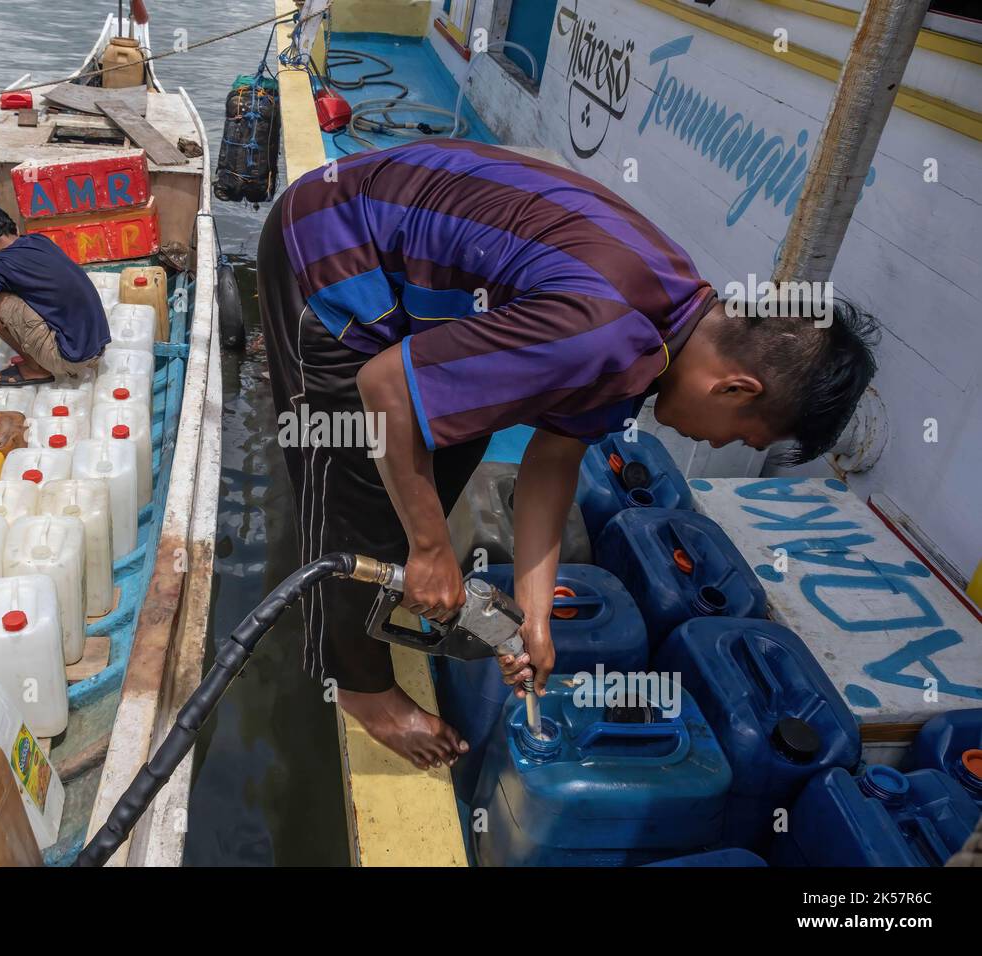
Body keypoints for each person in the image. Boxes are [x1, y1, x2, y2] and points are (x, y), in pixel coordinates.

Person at [258, 139, 878, 771]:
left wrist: (535, 617)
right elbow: (384, 385)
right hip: (330, 259)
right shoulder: (604, 333)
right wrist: (428, 547)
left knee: (447, 440)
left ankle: (389, 573)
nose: (716, 445)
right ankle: (362, 690)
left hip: (414, 277)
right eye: (741, 436)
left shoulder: (669, 320)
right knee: (355, 490)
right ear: (736, 388)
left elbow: (553, 461)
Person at [0, 205, 109, 384]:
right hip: (97, 345)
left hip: (70, 358)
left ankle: (36, 369)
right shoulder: (37, 240)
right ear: (15, 228)